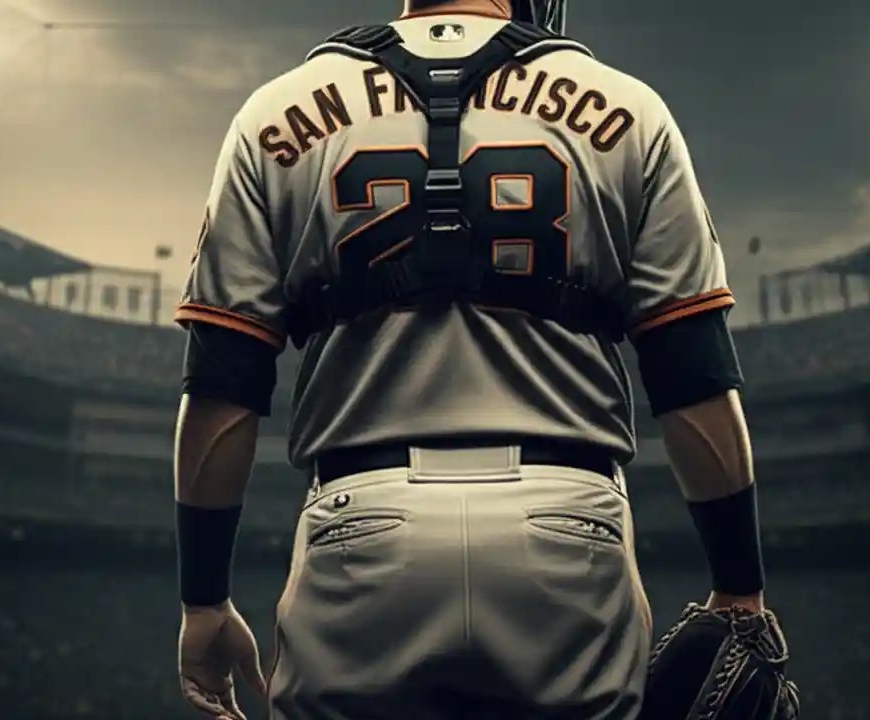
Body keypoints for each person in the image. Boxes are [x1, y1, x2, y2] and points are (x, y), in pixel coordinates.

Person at [171, 1, 768, 718]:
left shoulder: (274, 113)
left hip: (361, 527)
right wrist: (740, 589)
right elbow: (692, 378)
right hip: (566, 526)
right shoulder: (628, 108)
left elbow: (221, 390)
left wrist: (203, 597)